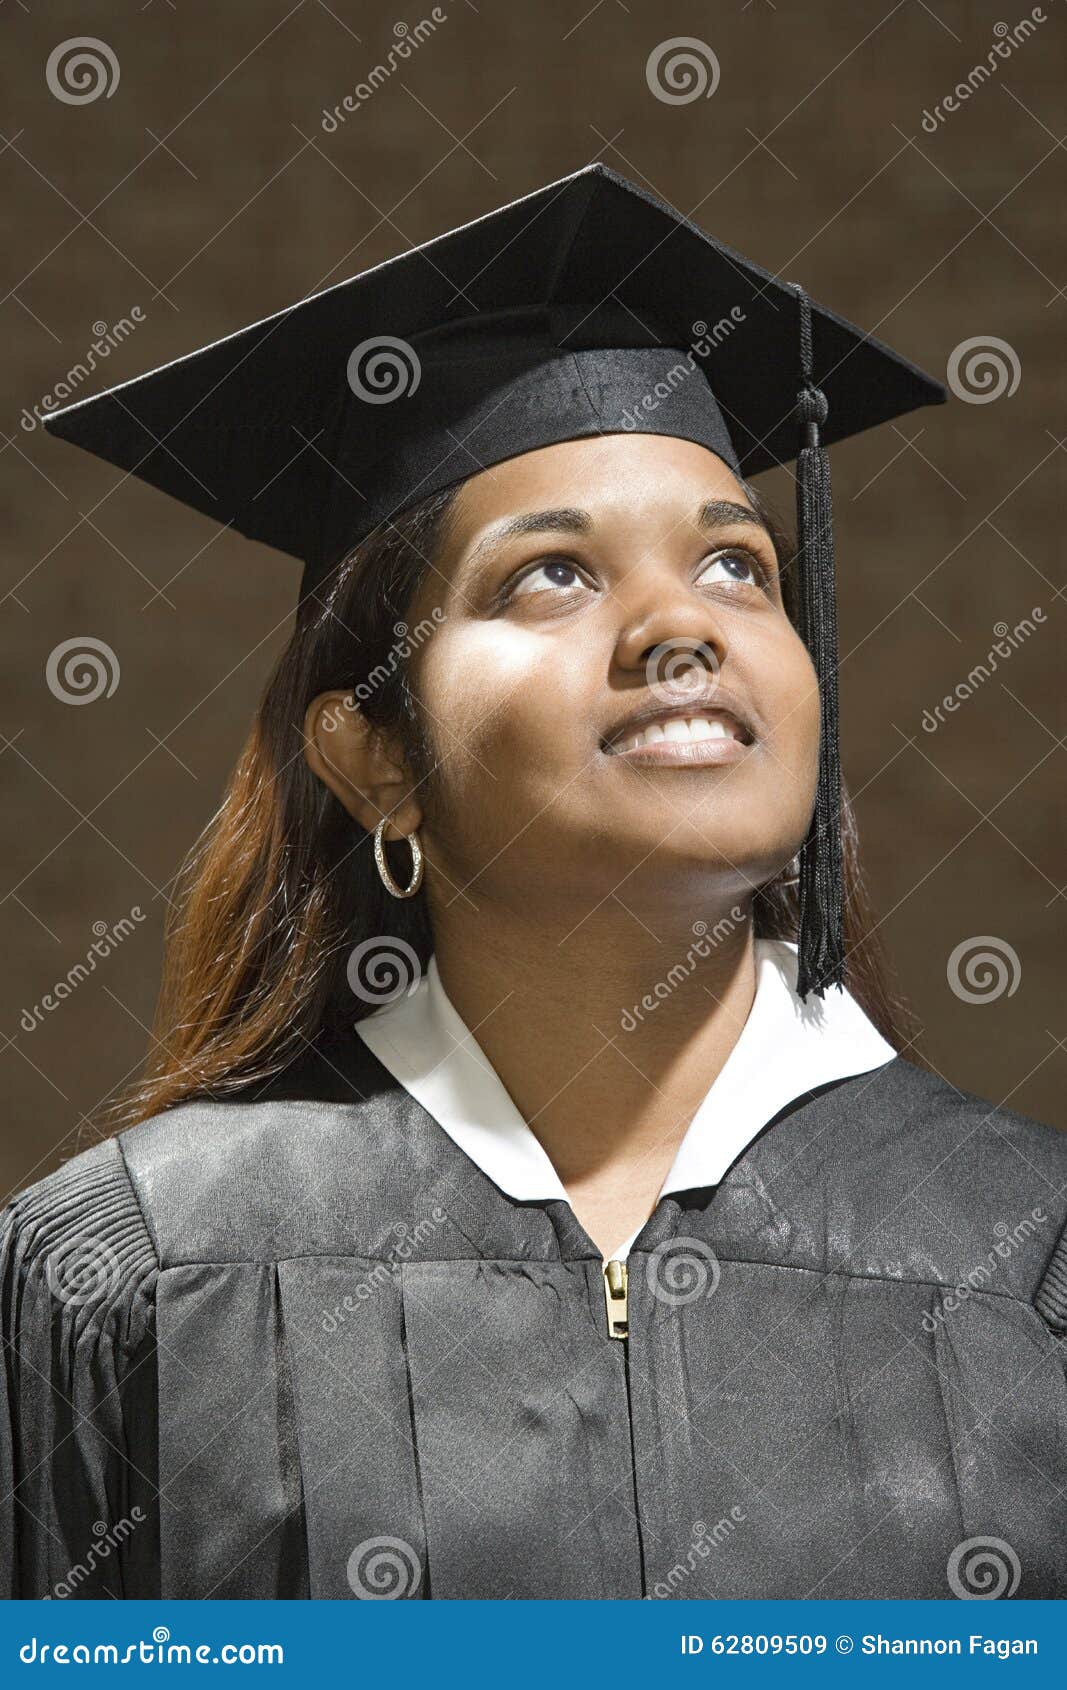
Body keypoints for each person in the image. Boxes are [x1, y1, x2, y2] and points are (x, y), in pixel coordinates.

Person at [3, 164, 1064, 1601]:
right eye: (551, 576)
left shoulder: (1028, 1254)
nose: (681, 623)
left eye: (739, 566)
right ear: (372, 751)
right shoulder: (144, 1273)